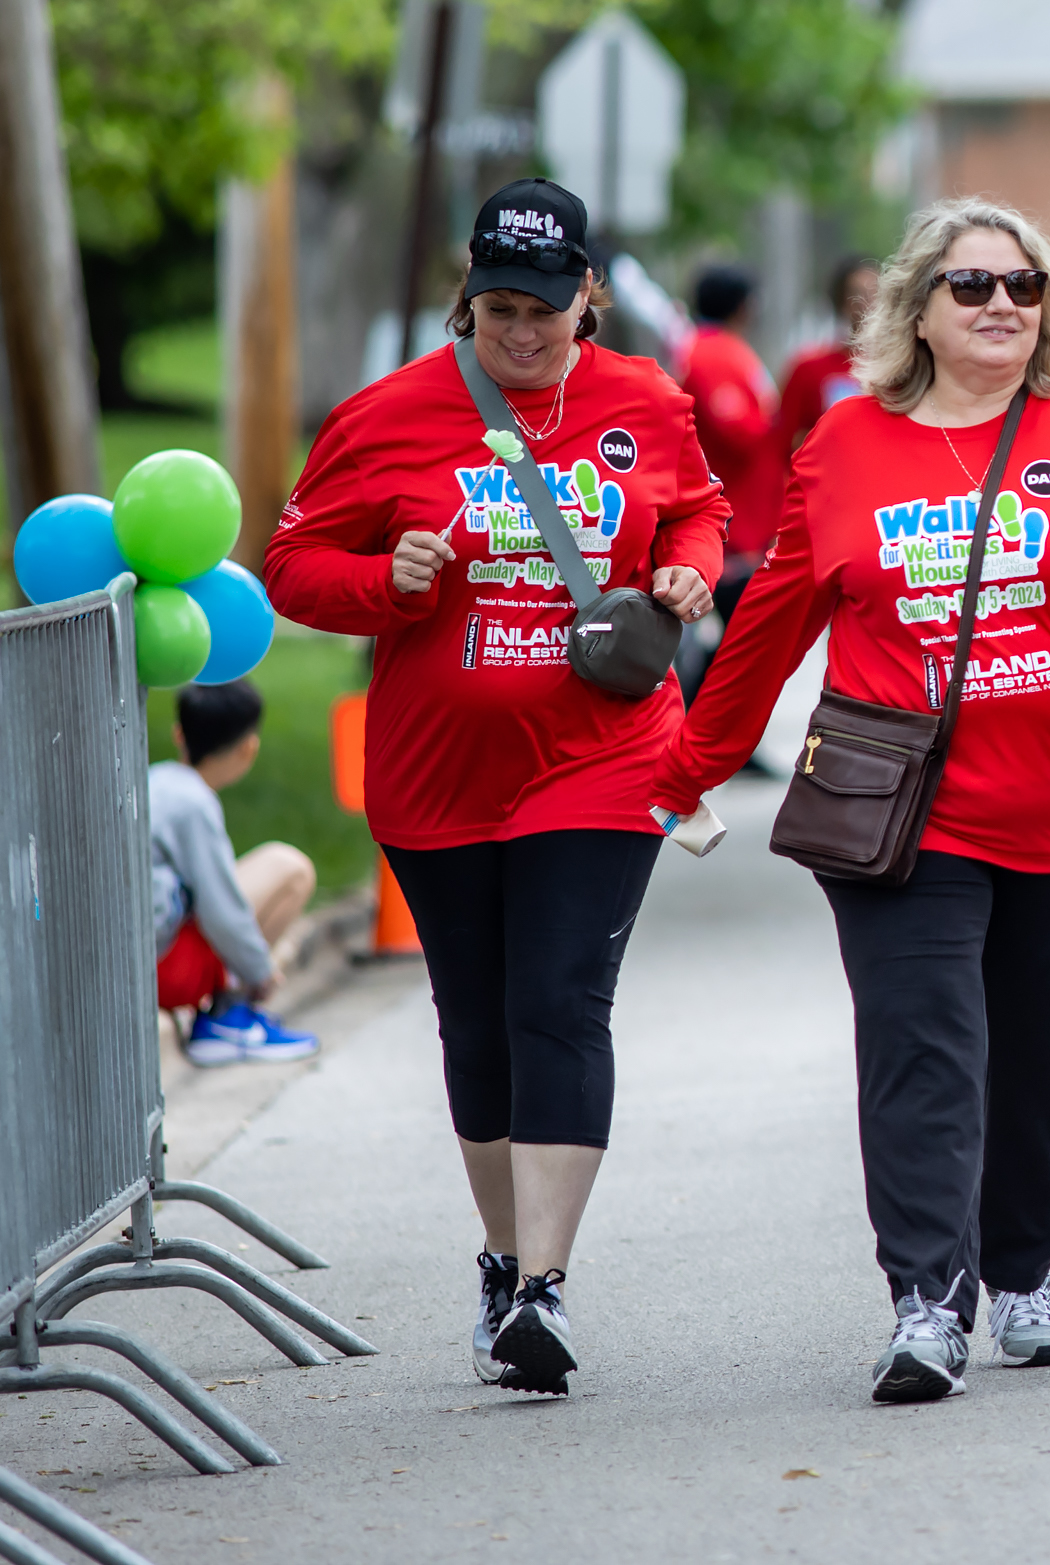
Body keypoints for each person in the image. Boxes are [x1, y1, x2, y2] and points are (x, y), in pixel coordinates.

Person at [658, 199, 1050, 1404]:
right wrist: (689, 758)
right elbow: (771, 619)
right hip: (904, 810)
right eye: (971, 287)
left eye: (1021, 285)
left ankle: (1022, 1273)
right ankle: (925, 1296)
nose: (1000, 305)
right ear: (915, 307)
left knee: (1043, 1060)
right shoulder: (845, 443)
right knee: (920, 1052)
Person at [264, 177, 727, 1397]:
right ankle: (502, 1251)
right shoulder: (386, 416)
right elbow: (293, 566)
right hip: (439, 772)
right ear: (466, 296)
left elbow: (697, 515)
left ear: (590, 297)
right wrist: (389, 582)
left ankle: (543, 1288)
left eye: (547, 308)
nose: (522, 332)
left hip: (604, 755)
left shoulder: (645, 403)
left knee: (560, 1002)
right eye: (500, 306)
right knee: (475, 1018)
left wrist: (683, 576)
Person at [152, 680, 320, 1066]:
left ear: (179, 734)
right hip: (166, 969)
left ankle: (227, 1020)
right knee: (291, 868)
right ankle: (228, 1018)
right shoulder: (194, 803)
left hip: (135, 952)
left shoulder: (159, 780)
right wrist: (260, 972)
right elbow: (220, 907)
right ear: (249, 747)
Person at [675, 264, 783, 708]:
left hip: (745, 519)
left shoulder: (721, 348)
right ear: (741, 304)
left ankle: (713, 726)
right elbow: (741, 430)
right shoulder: (711, 353)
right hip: (732, 523)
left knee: (743, 639)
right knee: (745, 640)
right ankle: (705, 724)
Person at [777, 255, 884, 450]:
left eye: (876, 292)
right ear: (842, 302)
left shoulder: (907, 368)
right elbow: (785, 439)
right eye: (858, 295)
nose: (869, 303)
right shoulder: (809, 370)